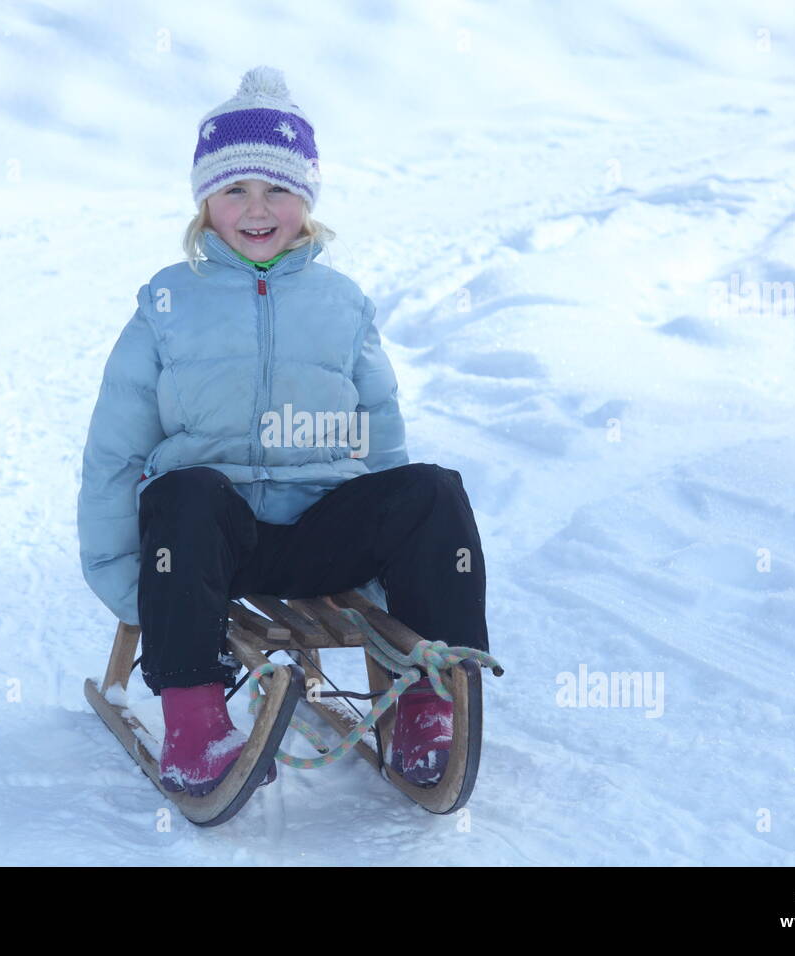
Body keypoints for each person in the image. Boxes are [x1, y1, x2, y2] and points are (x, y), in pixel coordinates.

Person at [78, 66, 489, 797]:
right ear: (206, 200)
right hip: (212, 543)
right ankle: (196, 717)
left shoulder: (342, 304)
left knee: (430, 490)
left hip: (319, 533)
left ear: (309, 199)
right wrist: (123, 574)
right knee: (184, 491)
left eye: (279, 190)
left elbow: (379, 438)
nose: (257, 209)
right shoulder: (169, 303)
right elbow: (115, 451)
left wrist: (395, 572)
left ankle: (428, 700)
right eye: (235, 189)